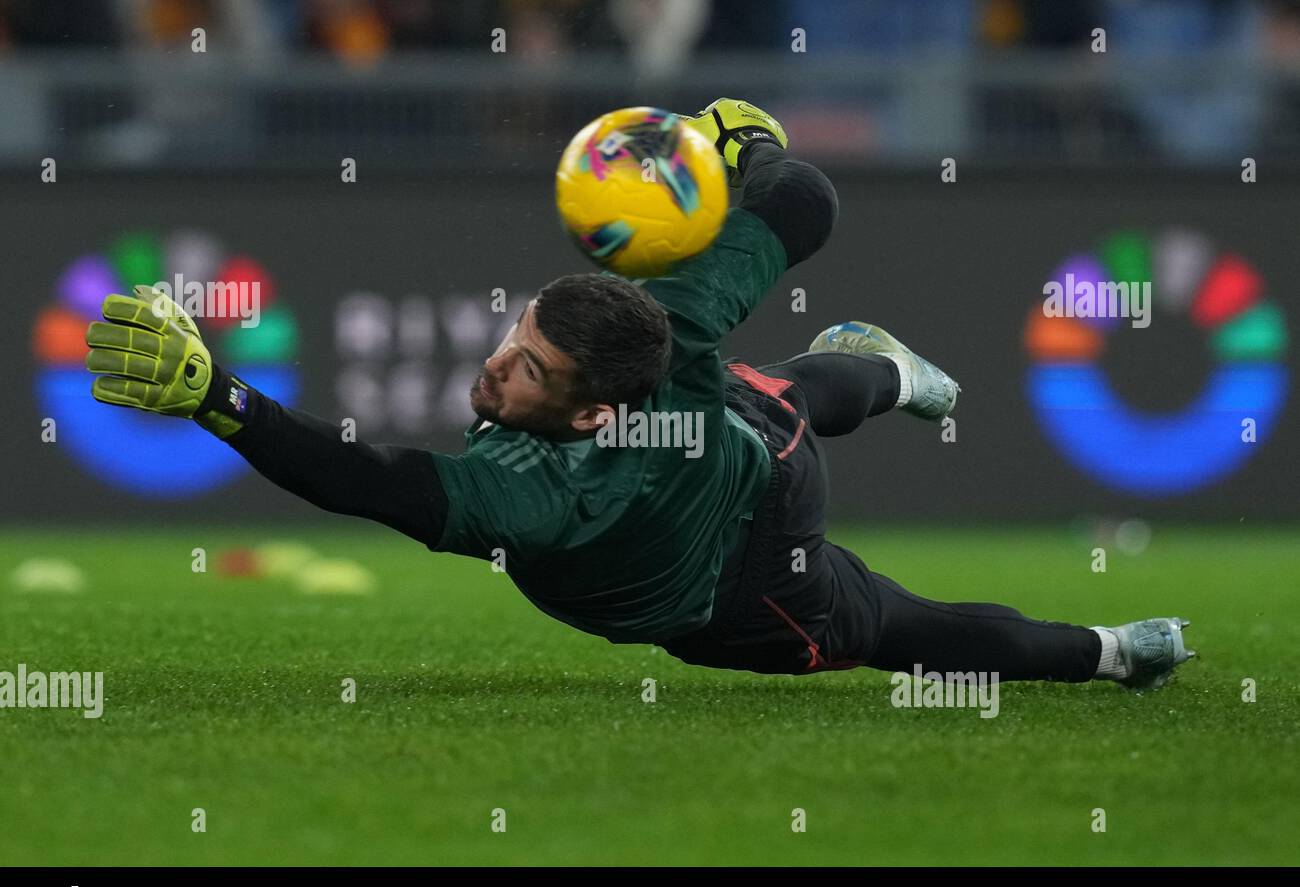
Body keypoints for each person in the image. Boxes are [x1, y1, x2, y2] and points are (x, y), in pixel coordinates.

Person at [83, 99, 1195, 689]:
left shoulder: (541, 496)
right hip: (736, 434)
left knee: (899, 626)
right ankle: (895, 370)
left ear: (586, 414)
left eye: (525, 370)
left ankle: (1107, 648)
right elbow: (803, 203)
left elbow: (362, 478)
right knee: (791, 390)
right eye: (514, 335)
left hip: (744, 584)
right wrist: (740, 145)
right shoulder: (672, 326)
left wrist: (218, 399)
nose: (495, 368)